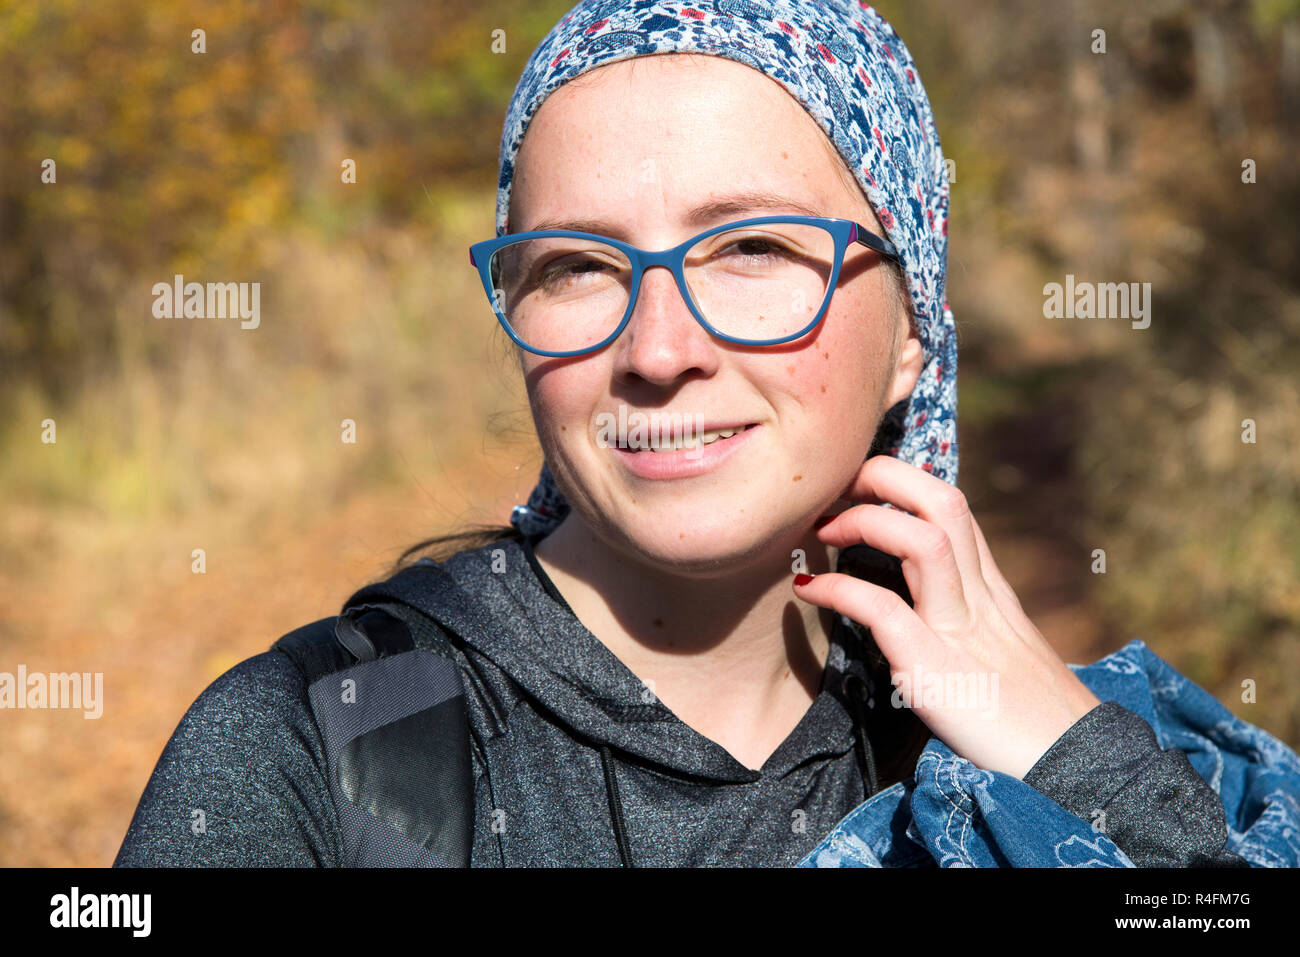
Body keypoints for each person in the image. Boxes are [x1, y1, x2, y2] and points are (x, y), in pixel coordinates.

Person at [114, 0, 1300, 868]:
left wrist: (1070, 768)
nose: (659, 348)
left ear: (911, 332)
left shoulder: (1015, 752)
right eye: (578, 266)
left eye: (752, 250)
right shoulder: (315, 754)